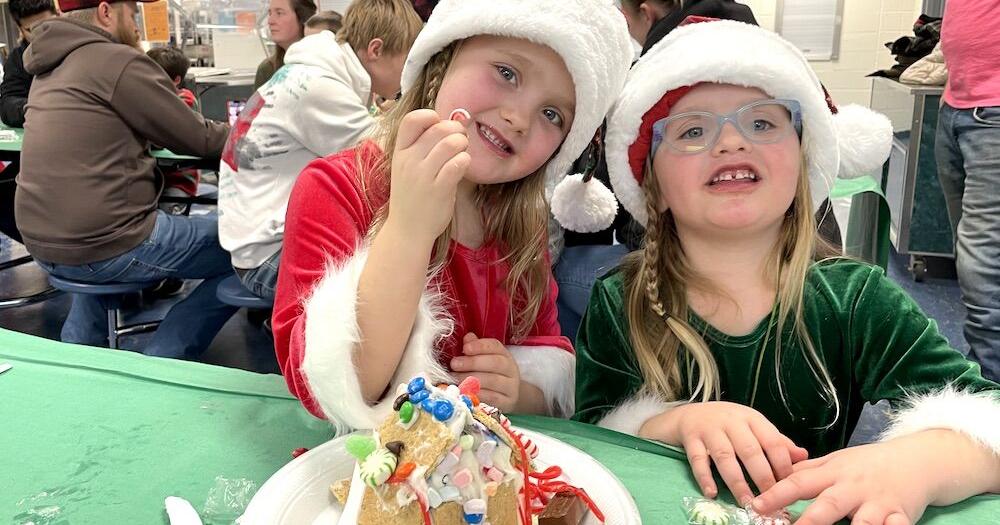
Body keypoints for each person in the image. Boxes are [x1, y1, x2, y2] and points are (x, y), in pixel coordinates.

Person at [575, 18, 1000, 525]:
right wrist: (670, 422)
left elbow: (986, 415)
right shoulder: (620, 301)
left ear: (802, 163)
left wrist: (919, 462)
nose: (731, 142)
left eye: (761, 123)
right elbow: (593, 441)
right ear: (654, 189)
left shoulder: (855, 300)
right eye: (692, 130)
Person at [270, 0, 633, 433]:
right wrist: (409, 227)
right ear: (442, 61)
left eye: (552, 114)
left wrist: (519, 390)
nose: (518, 119)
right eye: (506, 73)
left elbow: (545, 362)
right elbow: (340, 387)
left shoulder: (520, 229)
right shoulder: (335, 189)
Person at [16, 0, 237, 359]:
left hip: (43, 242)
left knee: (94, 228)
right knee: (255, 246)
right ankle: (163, 357)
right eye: (132, 13)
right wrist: (256, 131)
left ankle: (80, 355)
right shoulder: (117, 61)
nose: (137, 25)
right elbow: (199, 137)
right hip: (106, 243)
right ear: (106, 12)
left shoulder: (47, 67)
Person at [218, 0, 423, 302]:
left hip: (256, 237)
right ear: (376, 50)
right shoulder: (318, 87)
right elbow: (387, 160)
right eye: (407, 63)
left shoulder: (309, 73)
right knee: (392, 295)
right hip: (270, 255)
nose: (410, 75)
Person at [935, 0, 1000, 382]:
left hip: (992, 112)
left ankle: (989, 399)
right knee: (973, 254)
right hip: (958, 104)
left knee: (983, 265)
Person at [147, 46, 201, 209]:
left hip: (179, 181)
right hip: (155, 178)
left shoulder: (185, 100)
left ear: (176, 80)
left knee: (167, 211)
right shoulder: (149, 98)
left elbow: (162, 134)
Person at [2, 0, 57, 128]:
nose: (41, 35)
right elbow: (7, 105)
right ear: (19, 28)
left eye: (47, 25)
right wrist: (41, 108)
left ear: (59, 15)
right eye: (31, 30)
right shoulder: (17, 59)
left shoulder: (78, 50)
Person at [254, 0, 316, 90]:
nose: (270, 21)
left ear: (303, 17)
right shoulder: (267, 69)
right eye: (270, 13)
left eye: (279, 13)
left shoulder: (324, 63)